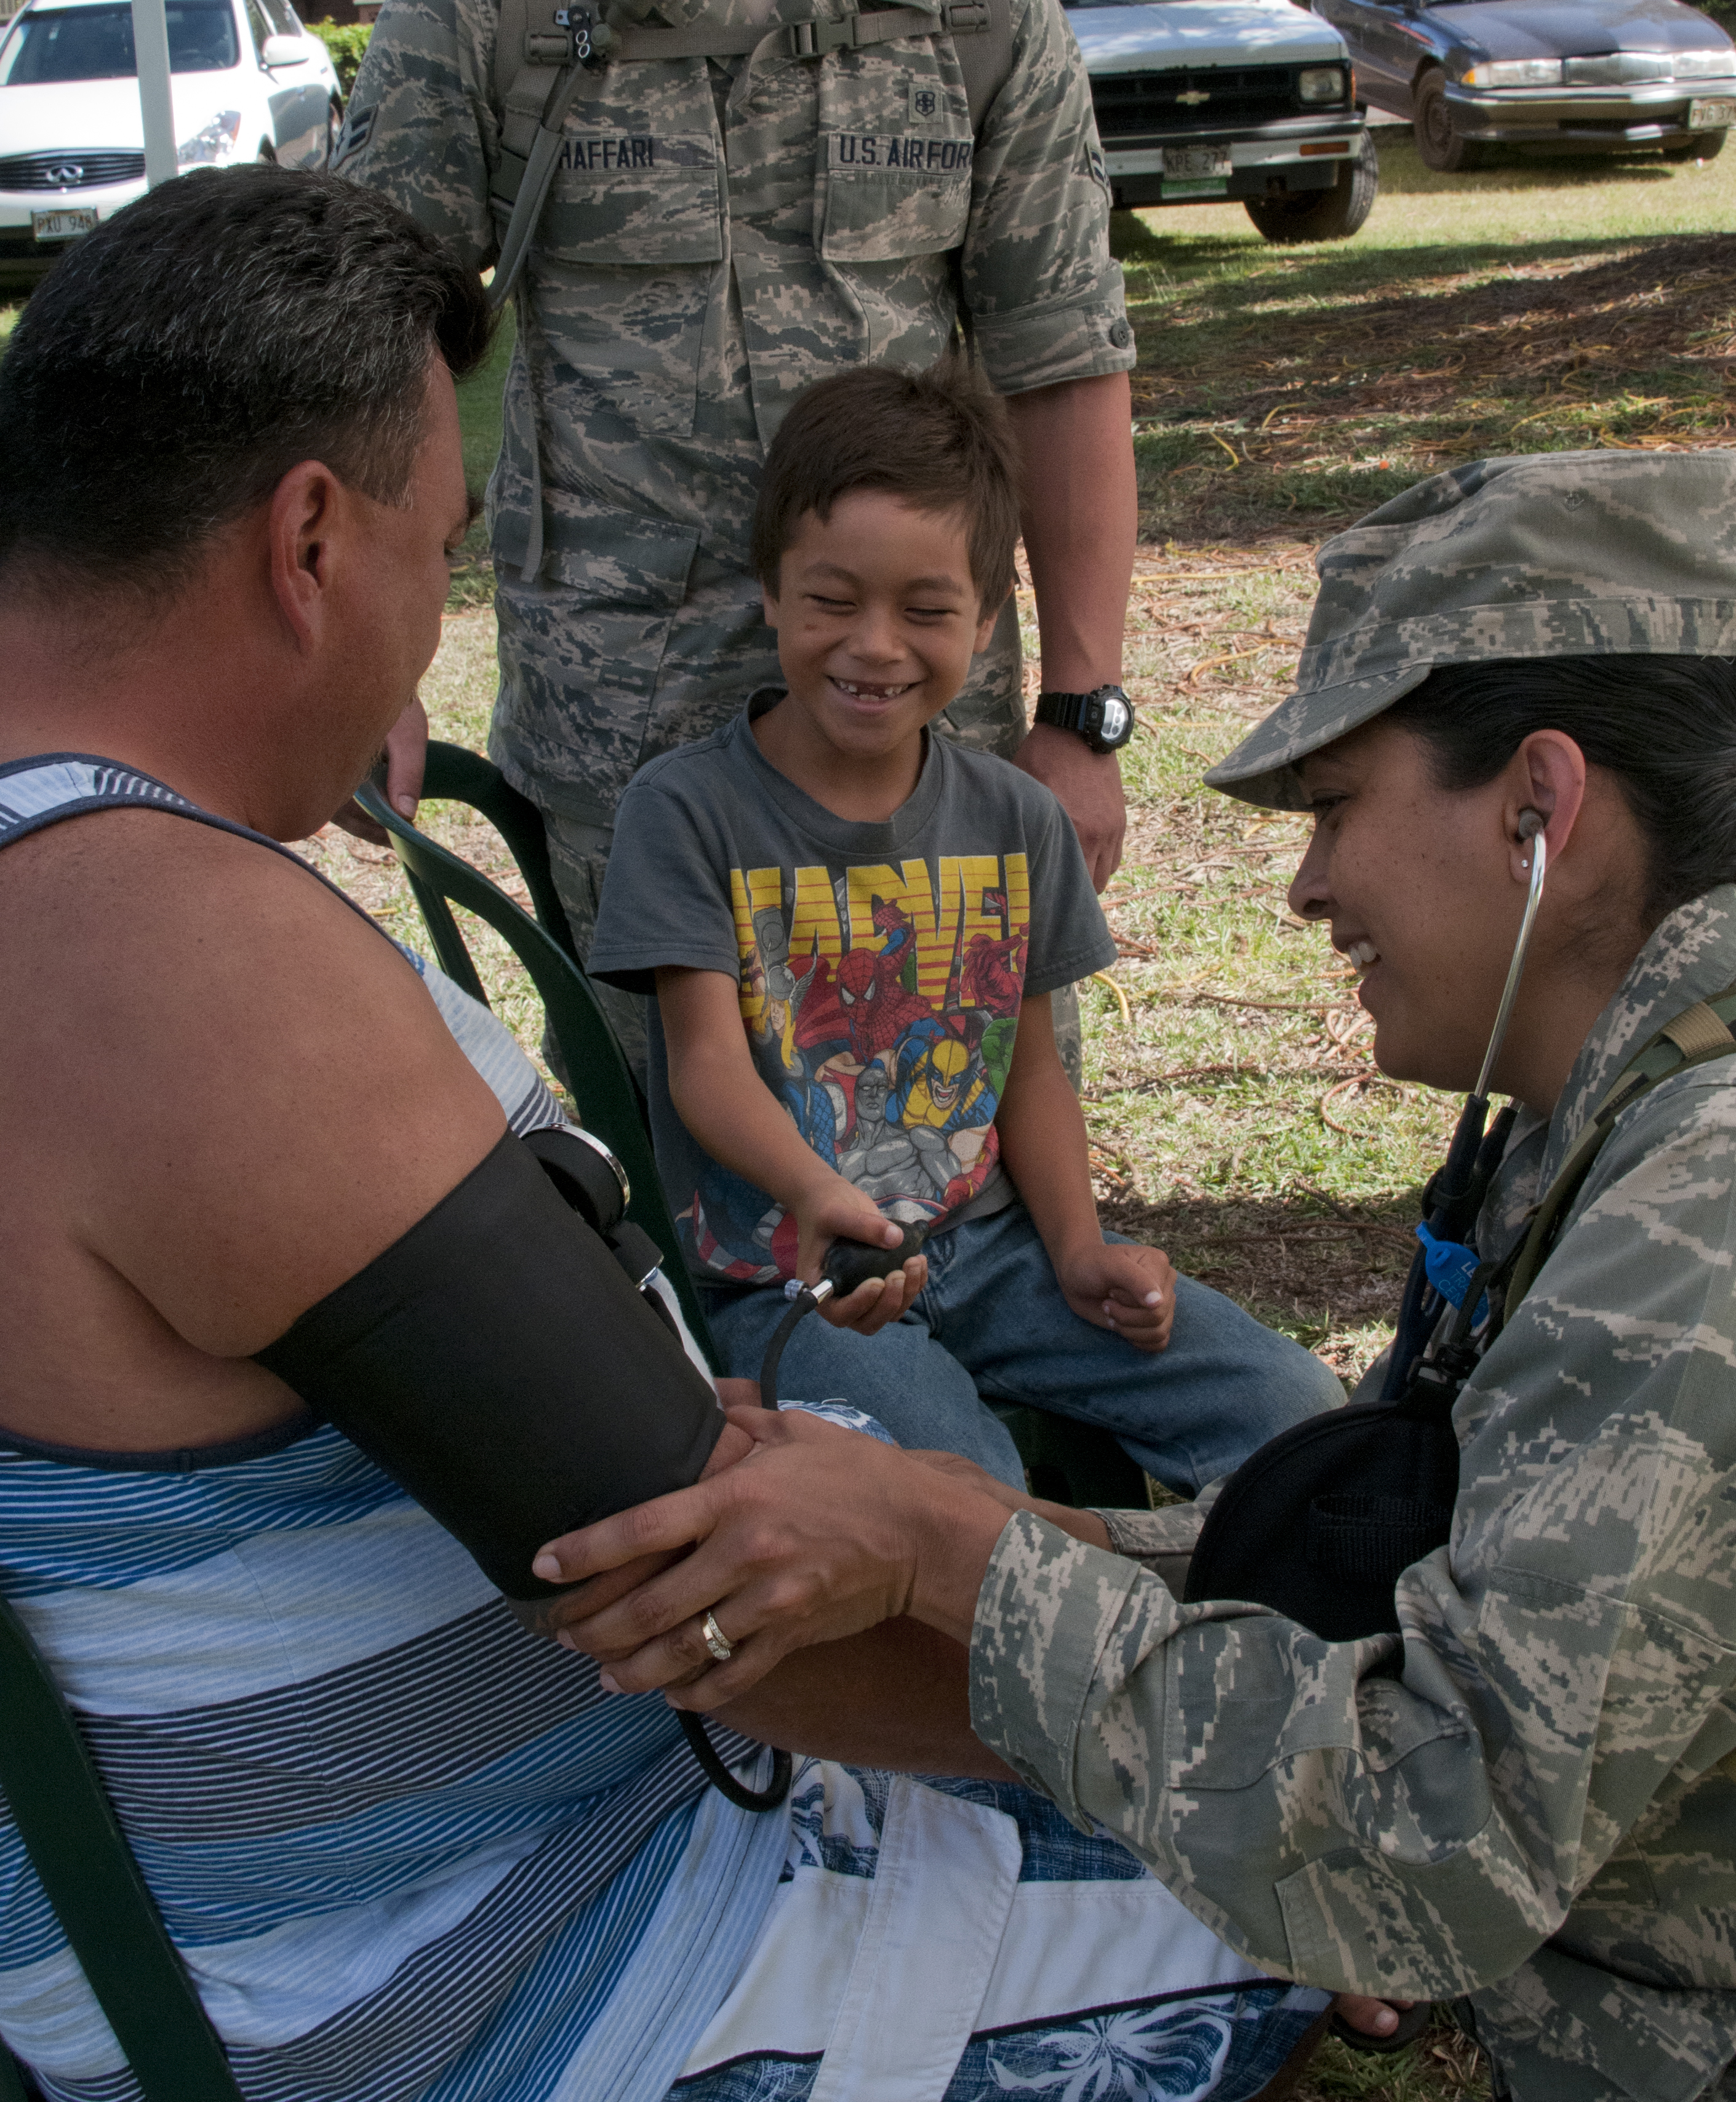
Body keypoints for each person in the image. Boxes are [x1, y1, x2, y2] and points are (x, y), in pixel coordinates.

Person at [0, 167, 1334, 2102]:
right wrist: (1268, 1743)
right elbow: (713, 1599)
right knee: (1333, 1881)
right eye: (437, 560)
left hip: (184, 1953)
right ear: (307, 540)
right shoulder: (162, 948)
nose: (419, 640)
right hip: (505, 1981)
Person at [543, 446, 1736, 2102]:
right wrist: (978, 1547)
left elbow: (1423, 1846)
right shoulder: (1616, 1113)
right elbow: (1423, 1571)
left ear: (1538, 807)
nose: (1306, 887)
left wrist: (953, 1553)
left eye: (1332, 812)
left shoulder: (1694, 1216)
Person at [337, 0, 1139, 1079]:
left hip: (919, 750)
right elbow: (371, 357)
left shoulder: (982, 15)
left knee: (939, 1181)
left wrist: (1086, 709)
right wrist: (375, 666)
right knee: (670, 1208)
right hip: (628, 749)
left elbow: (1064, 361)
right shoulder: (501, 1)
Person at [587, 361, 1342, 1485]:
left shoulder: (1015, 818)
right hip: (795, 1282)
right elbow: (702, 1068)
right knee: (961, 1494)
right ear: (771, 590)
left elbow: (1029, 1072)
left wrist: (1081, 1249)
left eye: (926, 610)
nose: (875, 646)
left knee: (1301, 1412)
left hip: (997, 1256)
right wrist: (816, 1200)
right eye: (833, 600)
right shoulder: (686, 811)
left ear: (987, 621)